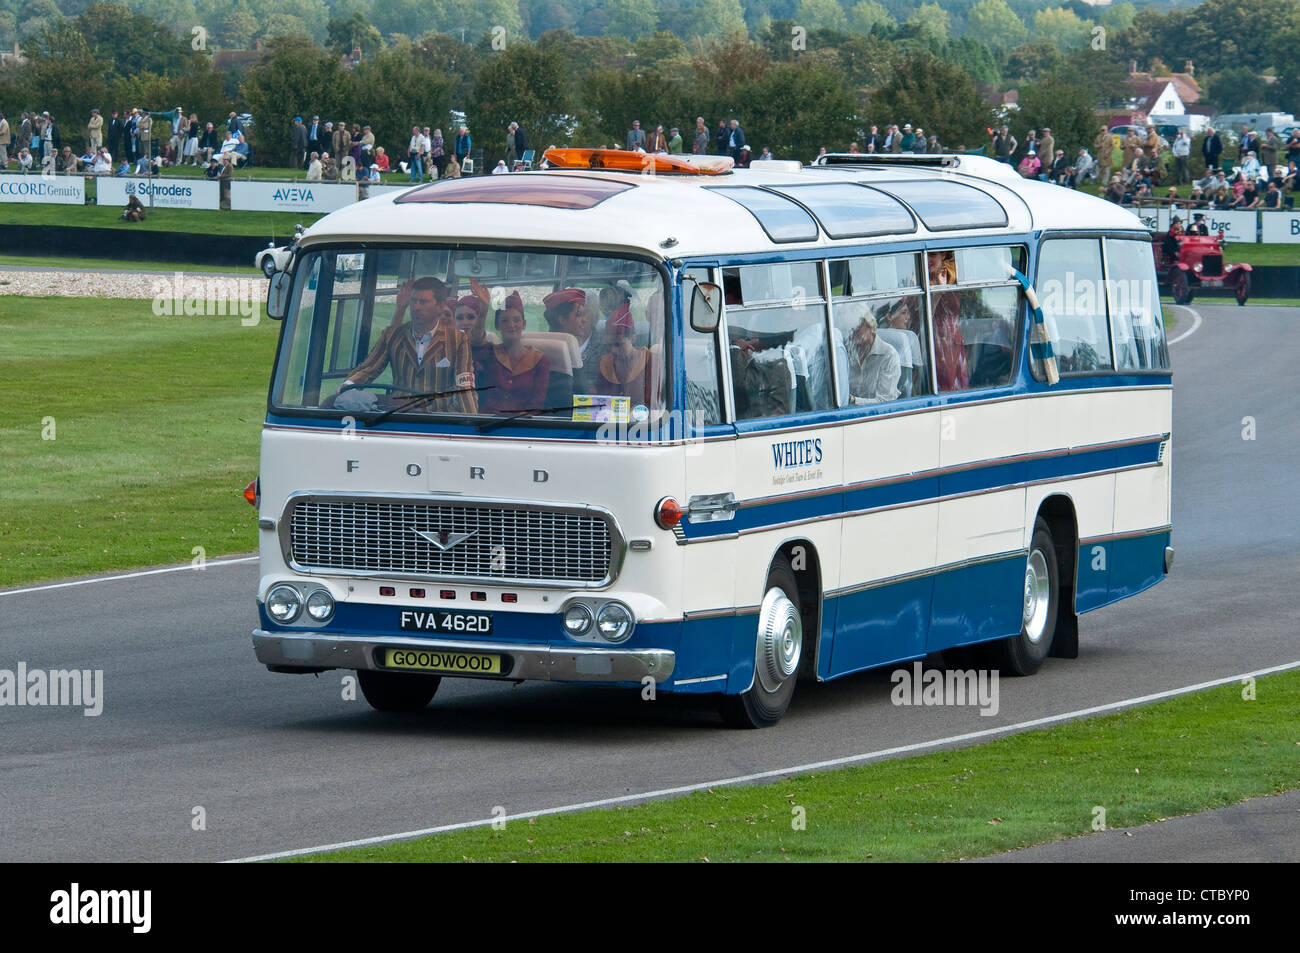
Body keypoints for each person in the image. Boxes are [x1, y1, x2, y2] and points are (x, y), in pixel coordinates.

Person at [343, 277, 479, 415]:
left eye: (423, 302)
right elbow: (368, 369)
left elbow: (464, 385)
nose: (416, 307)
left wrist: (471, 422)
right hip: (397, 418)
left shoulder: (458, 339)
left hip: (438, 421)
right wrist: (347, 387)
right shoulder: (392, 335)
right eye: (413, 301)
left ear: (440, 306)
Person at [477, 292, 551, 414]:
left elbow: (536, 404)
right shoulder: (489, 353)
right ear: (497, 325)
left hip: (522, 426)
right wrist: (483, 309)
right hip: (487, 424)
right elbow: (475, 341)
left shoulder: (540, 360)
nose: (511, 325)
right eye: (505, 320)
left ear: (524, 324)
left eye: (516, 320)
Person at [596, 303, 655, 408]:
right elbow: (596, 398)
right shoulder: (604, 363)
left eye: (618, 344)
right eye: (609, 345)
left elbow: (655, 405)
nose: (613, 350)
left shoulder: (651, 361)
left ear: (633, 339)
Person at [544, 287, 602, 393]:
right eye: (579, 315)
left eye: (585, 314)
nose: (585, 319)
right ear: (562, 320)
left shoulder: (545, 349)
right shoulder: (544, 355)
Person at [928, 251, 968, 392]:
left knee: (959, 390)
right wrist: (938, 290)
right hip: (932, 343)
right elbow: (920, 317)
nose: (927, 259)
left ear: (943, 254)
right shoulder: (918, 278)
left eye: (932, 254)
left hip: (953, 345)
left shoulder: (955, 274)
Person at [846, 309, 900, 405]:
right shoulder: (848, 350)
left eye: (856, 328)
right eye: (849, 329)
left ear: (870, 326)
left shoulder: (889, 355)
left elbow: (885, 402)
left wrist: (854, 401)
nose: (852, 334)